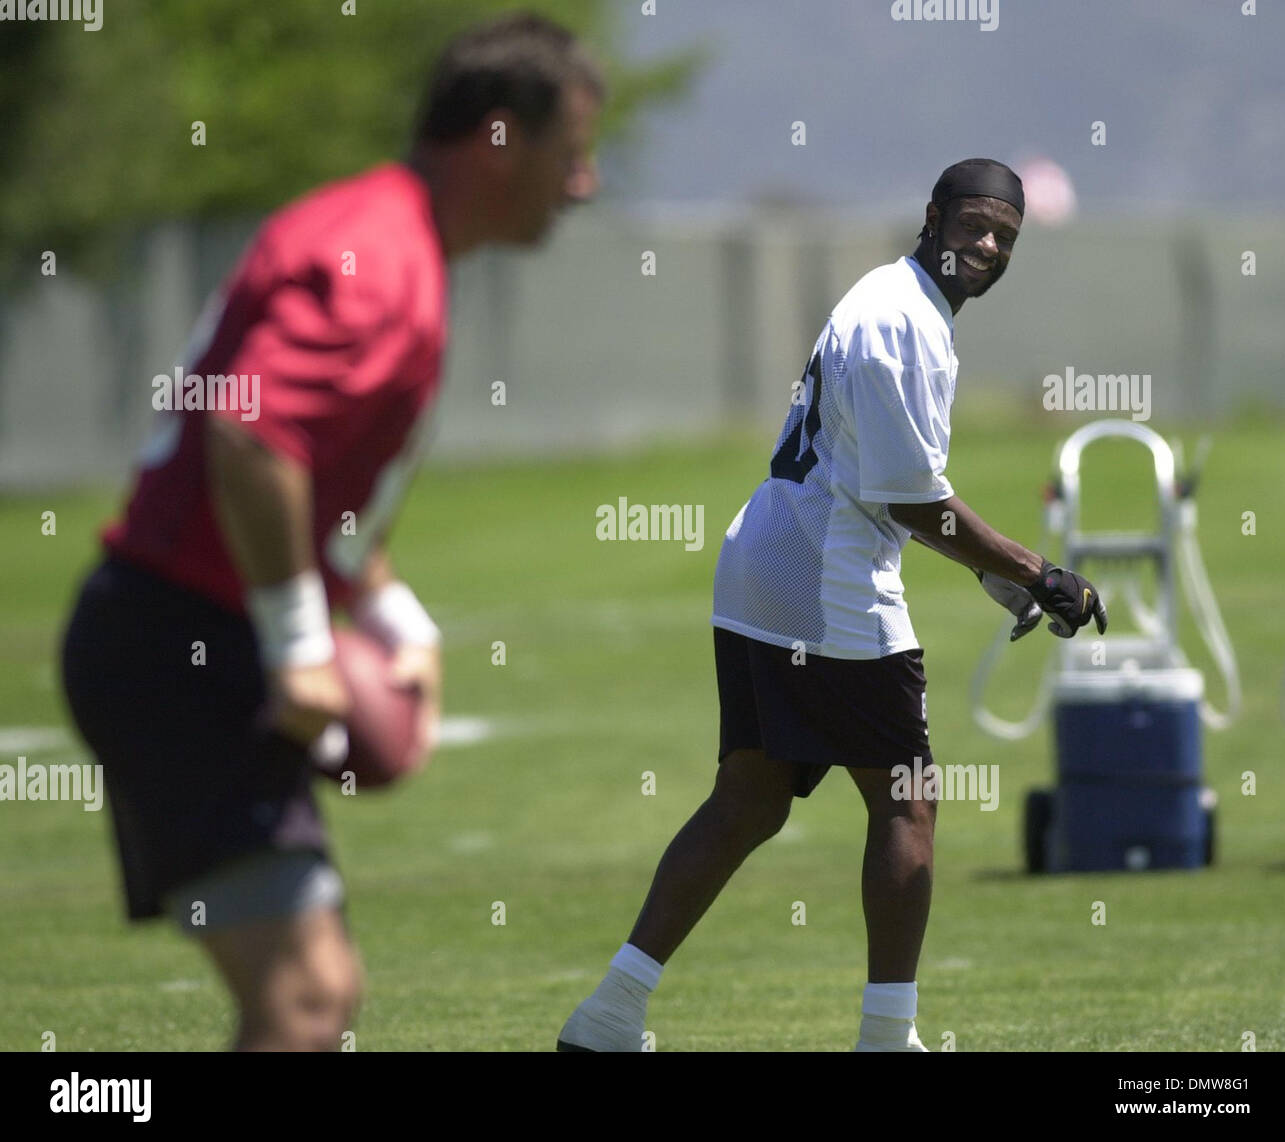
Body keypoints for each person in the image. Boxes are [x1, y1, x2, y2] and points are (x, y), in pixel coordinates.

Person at [61, 12, 603, 1052]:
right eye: (570, 156)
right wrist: (303, 644)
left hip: (187, 634)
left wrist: (392, 608)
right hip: (182, 648)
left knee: (319, 999)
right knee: (307, 996)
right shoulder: (384, 259)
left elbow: (317, 478)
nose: (583, 185)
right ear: (500, 138)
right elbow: (254, 433)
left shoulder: (389, 237)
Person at [557, 158, 1106, 1053]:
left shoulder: (894, 300)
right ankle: (888, 1039)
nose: (987, 244)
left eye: (1004, 234)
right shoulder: (905, 321)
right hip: (823, 572)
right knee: (908, 800)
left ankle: (609, 1017)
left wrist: (987, 569)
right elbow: (906, 498)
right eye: (973, 223)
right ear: (933, 216)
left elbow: (890, 482)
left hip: (764, 560)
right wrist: (1033, 568)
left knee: (749, 800)